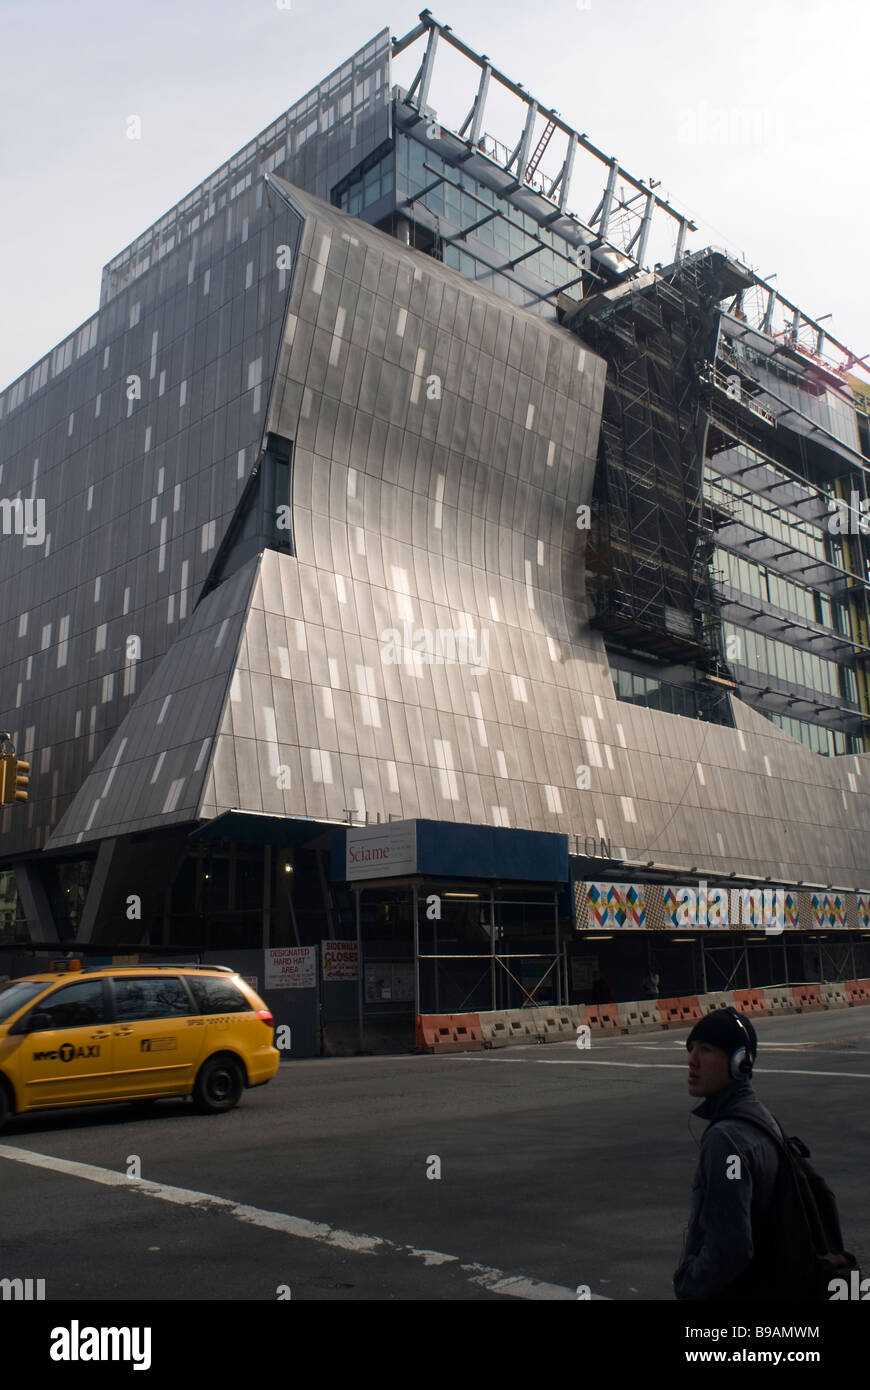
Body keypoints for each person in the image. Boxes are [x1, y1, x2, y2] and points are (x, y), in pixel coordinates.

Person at [673, 1007, 784, 1300]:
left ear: (739, 1063)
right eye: (691, 1049)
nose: (692, 1061)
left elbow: (730, 1248)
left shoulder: (726, 1140)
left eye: (706, 1050)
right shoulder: (760, 1117)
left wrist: (688, 1286)